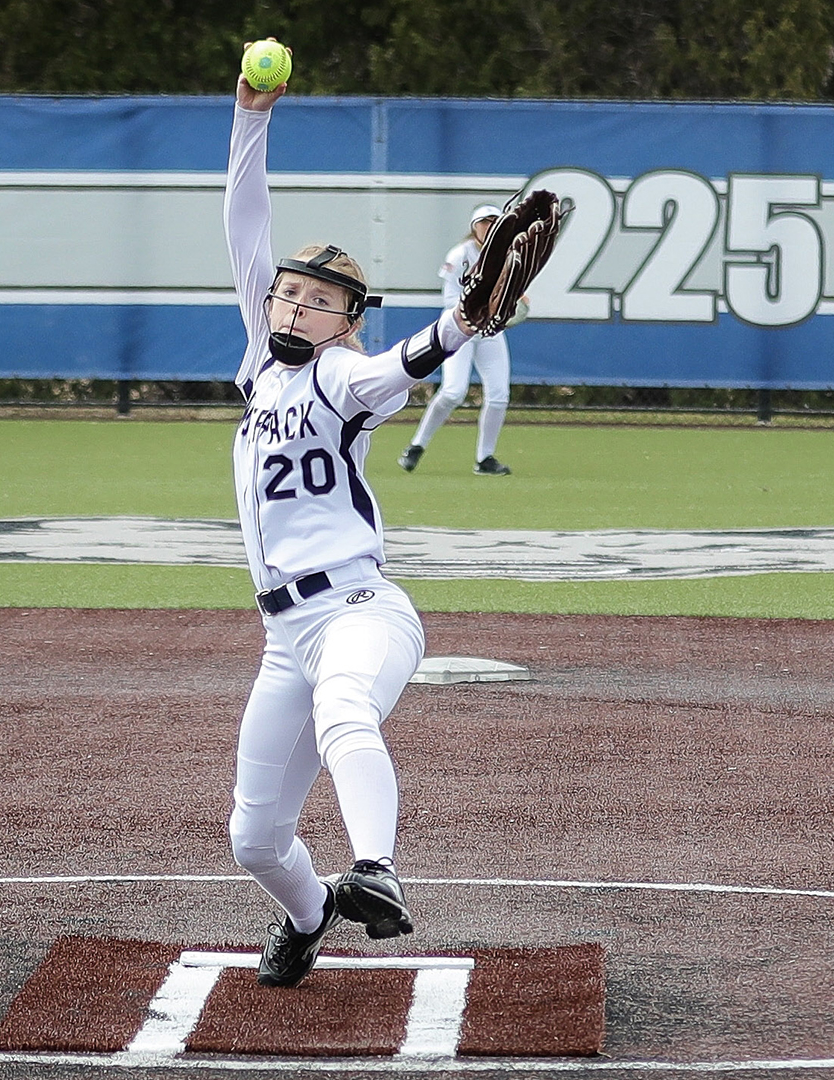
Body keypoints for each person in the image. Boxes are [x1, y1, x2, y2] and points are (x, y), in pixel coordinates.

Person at [222, 61, 479, 989]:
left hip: (361, 612)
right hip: (281, 634)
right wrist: (251, 116)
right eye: (288, 295)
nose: (293, 304)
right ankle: (309, 912)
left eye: (318, 301)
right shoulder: (262, 367)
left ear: (347, 321)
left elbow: (406, 363)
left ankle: (375, 868)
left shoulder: (343, 376)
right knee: (253, 834)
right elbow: (246, 226)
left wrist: (459, 325)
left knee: (345, 714)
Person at [398, 206, 517, 476]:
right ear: (474, 227)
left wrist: (512, 304)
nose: (488, 227)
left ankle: (485, 459)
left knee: (499, 395)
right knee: (453, 391)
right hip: (458, 328)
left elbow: (512, 292)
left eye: (494, 223)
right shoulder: (460, 254)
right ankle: (416, 446)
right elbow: (450, 298)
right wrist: (473, 317)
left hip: (489, 331)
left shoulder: (508, 256)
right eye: (483, 223)